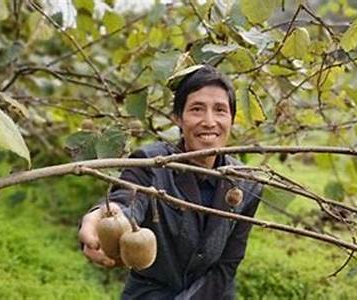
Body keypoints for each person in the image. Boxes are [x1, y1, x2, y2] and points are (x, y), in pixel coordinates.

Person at [78, 65, 263, 299]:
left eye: (220, 110)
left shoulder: (248, 184)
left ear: (232, 119)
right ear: (178, 118)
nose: (209, 121)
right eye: (197, 109)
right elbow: (127, 200)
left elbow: (228, 264)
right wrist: (104, 215)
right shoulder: (150, 163)